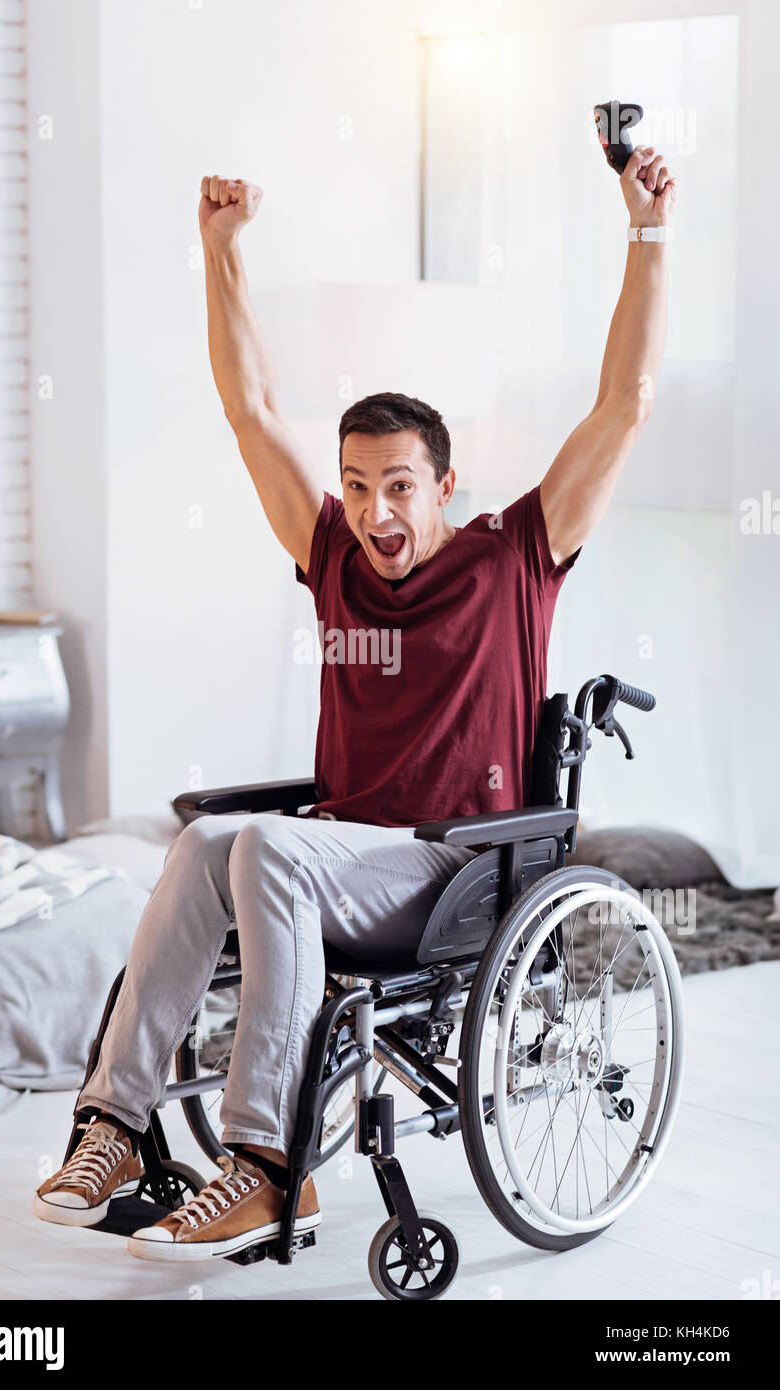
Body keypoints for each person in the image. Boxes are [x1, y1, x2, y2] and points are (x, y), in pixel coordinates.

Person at [34, 146, 676, 1262]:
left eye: (401, 487)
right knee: (207, 844)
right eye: (361, 484)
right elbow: (250, 407)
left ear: (444, 483)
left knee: (268, 852)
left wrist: (648, 232)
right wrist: (219, 251)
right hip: (338, 858)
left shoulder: (514, 552)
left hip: (449, 867)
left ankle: (270, 1164)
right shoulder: (329, 551)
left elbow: (625, 401)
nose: (378, 510)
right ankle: (116, 1126)